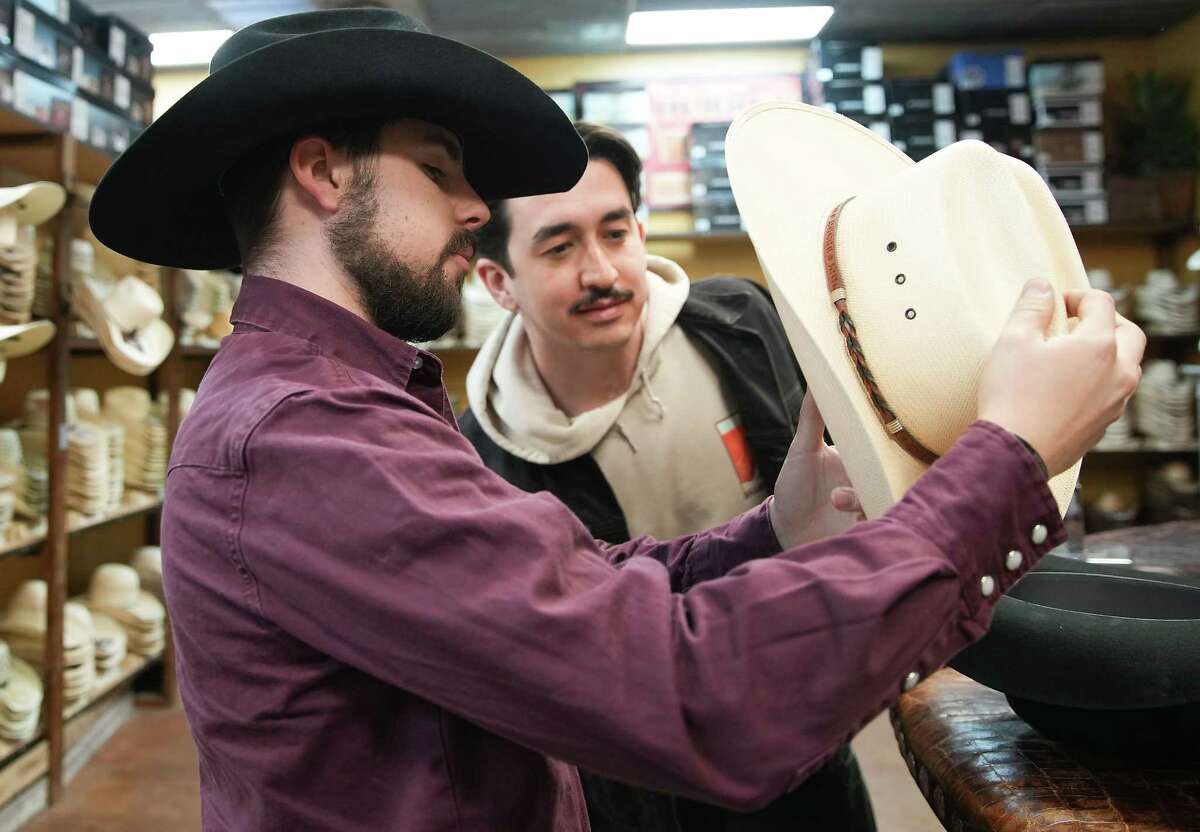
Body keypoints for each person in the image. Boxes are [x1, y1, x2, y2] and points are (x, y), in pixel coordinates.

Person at [88, 9, 1144, 831]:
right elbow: (685, 689)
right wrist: (1006, 457)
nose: (471, 207)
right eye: (441, 166)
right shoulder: (300, 436)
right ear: (321, 174)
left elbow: (582, 588)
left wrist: (775, 533)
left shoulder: (349, 404)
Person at [460, 121, 874, 831]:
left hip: (798, 743)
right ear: (499, 282)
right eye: (559, 248)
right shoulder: (480, 458)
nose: (602, 272)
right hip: (636, 788)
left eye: (616, 233)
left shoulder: (742, 324)